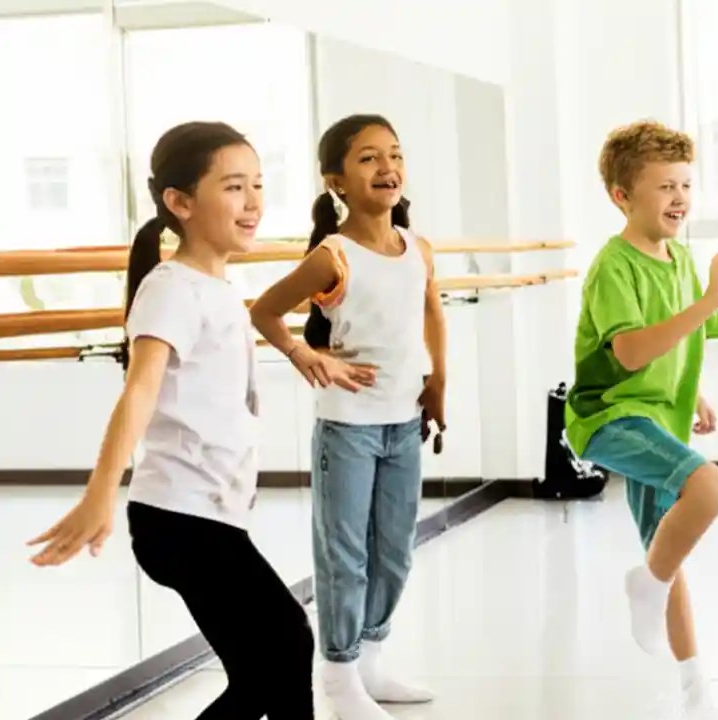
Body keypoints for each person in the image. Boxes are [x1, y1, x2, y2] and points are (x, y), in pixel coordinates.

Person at [25, 121, 315, 720]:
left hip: (206, 517)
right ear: (180, 203)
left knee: (267, 667)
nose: (254, 202)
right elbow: (139, 390)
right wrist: (100, 494)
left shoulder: (213, 286)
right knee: (285, 645)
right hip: (180, 520)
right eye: (234, 187)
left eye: (258, 185)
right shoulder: (171, 289)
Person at [250, 114, 447, 720]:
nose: (387, 167)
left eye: (394, 154)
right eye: (368, 158)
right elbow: (263, 312)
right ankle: (336, 675)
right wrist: (305, 354)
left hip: (404, 423)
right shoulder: (333, 255)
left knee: (394, 551)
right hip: (348, 427)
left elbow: (432, 315)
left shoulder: (418, 248)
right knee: (345, 555)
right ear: (336, 180)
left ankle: (370, 663)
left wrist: (439, 384)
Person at [565, 119, 718, 719]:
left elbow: (678, 340)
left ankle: (694, 684)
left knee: (664, 553)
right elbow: (629, 353)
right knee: (709, 485)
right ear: (622, 196)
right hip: (609, 416)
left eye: (686, 185)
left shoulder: (677, 257)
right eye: (665, 187)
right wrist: (710, 301)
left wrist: (691, 394)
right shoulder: (613, 266)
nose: (680, 198)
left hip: (657, 417)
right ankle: (645, 584)